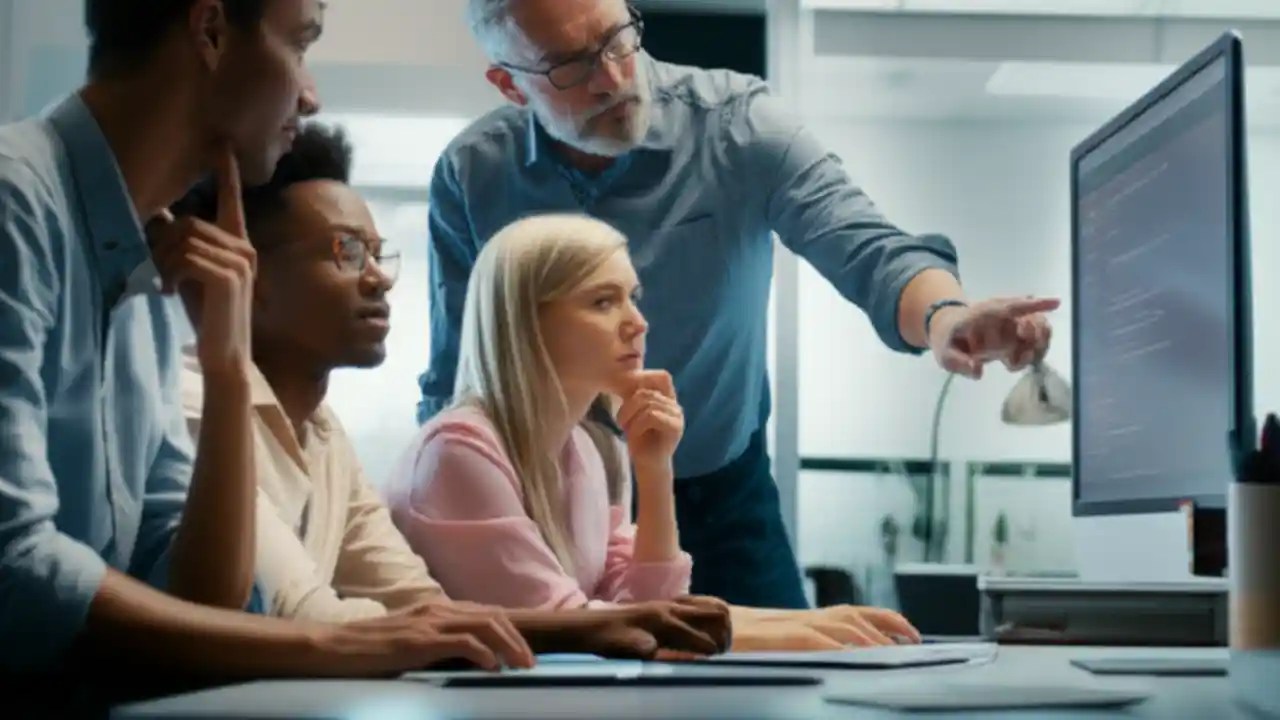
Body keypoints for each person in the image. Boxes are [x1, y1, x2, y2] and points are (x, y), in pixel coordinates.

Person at [418, 0, 1058, 609]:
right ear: (508, 84)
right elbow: (456, 375)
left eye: (617, 38)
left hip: (719, 492)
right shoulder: (474, 174)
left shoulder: (735, 124)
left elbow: (867, 248)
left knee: (796, 678)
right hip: (545, 494)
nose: (614, 77)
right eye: (571, 64)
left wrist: (947, 318)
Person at [0, 0, 561, 687]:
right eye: (300, 45)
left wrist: (231, 366)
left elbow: (206, 600)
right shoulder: (14, 203)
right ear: (209, 31)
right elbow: (15, 568)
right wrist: (343, 648)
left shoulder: (143, 272)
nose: (311, 92)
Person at [173, 122, 732, 659]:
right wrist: (601, 625)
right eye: (346, 253)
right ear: (249, 276)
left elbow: (425, 609)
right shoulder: (194, 407)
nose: (379, 277)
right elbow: (306, 613)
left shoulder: (324, 434)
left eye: (376, 252)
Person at [389, 214, 923, 650]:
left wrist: (655, 467)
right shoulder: (458, 452)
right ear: (526, 322)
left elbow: (643, 605)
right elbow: (574, 628)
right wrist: (791, 632)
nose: (637, 321)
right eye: (603, 301)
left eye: (633, 295)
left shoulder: (589, 449)